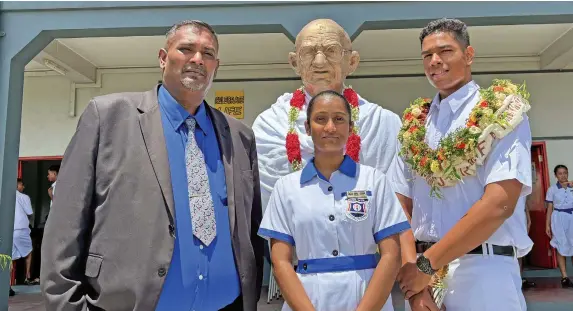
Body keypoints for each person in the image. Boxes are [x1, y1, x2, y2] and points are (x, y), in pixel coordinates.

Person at [41, 20, 264, 311]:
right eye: (186, 49)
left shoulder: (239, 136)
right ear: (162, 57)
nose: (197, 59)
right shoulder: (108, 118)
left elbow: (251, 227)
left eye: (207, 54)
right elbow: (64, 227)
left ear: (216, 66)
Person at [251, 17, 415, 276]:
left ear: (353, 61)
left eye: (330, 51)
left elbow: (397, 208)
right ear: (294, 62)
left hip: (370, 273)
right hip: (299, 272)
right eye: (308, 52)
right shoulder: (268, 125)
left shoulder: (383, 123)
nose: (319, 62)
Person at [393, 18, 533, 311]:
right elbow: (400, 205)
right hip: (422, 281)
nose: (435, 61)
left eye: (445, 51)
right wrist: (416, 283)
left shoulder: (502, 113)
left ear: (468, 55)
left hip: (483, 273)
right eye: (427, 55)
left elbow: (499, 204)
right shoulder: (415, 124)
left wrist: (426, 265)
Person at [258, 91, 410, 311]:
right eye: (320, 119)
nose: (330, 127)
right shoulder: (286, 187)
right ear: (308, 128)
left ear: (350, 126)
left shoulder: (374, 181)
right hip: (307, 299)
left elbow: (391, 254)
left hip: (367, 297)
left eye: (339, 119)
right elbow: (281, 261)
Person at [545, 164, 573, 288]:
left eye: (565, 173)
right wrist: (547, 225)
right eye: (560, 173)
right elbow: (550, 208)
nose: (563, 175)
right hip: (558, 218)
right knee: (561, 245)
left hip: (571, 217)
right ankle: (564, 277)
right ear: (555, 175)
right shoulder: (552, 190)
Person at [12, 179, 39, 286]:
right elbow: (29, 212)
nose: (23, 187)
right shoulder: (24, 197)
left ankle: (9, 281)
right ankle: (27, 277)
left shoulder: (6, 196)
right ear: (18, 185)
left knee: (11, 256)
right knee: (29, 252)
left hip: (10, 230)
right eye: (22, 185)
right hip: (21, 228)